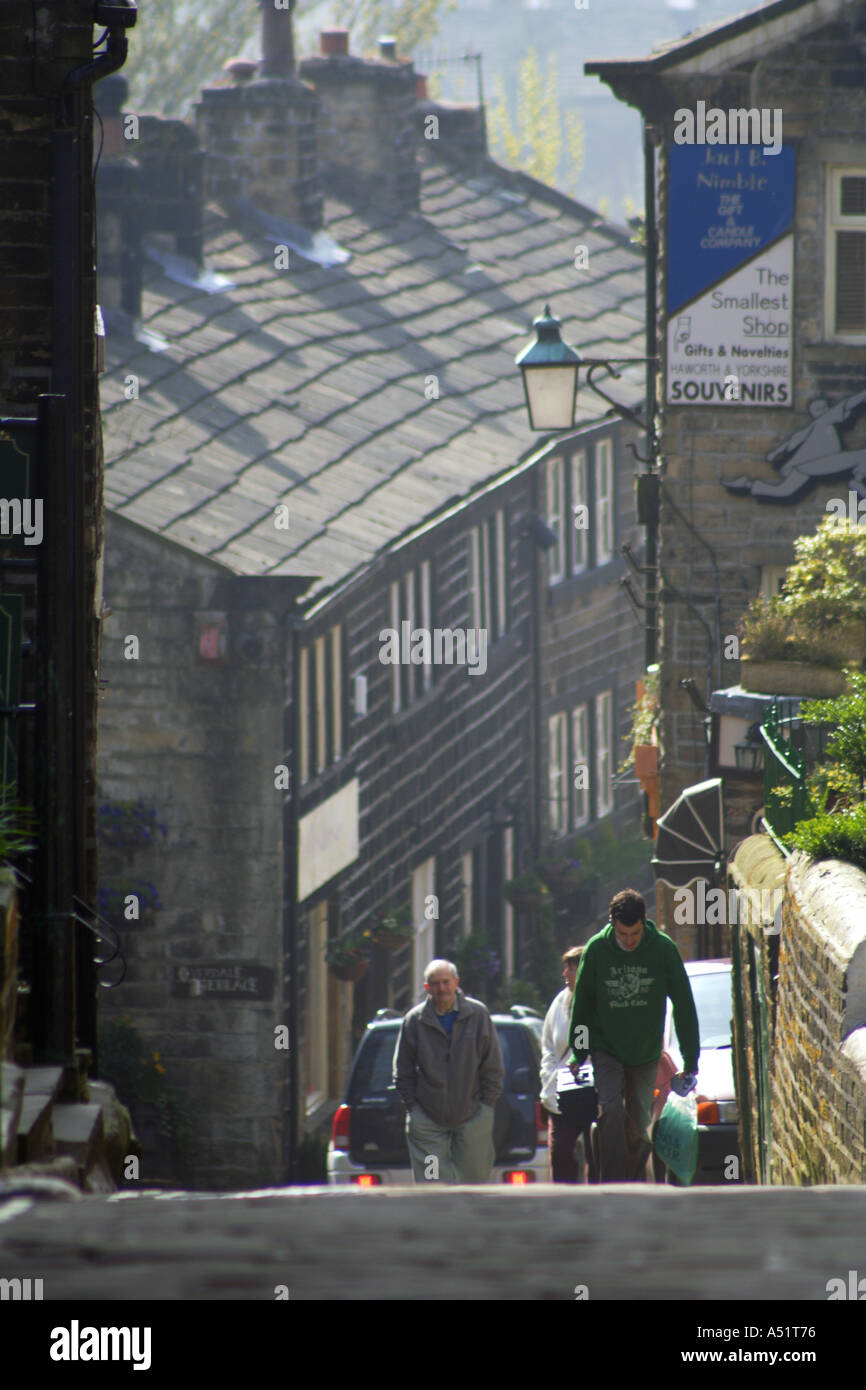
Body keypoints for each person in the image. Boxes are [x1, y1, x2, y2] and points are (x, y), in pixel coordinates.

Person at [568, 888, 700, 1183]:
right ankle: (613, 1184)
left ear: (644, 922)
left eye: (635, 934)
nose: (629, 941)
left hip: (645, 1051)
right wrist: (579, 1051)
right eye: (623, 934)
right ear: (612, 924)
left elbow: (684, 1004)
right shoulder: (597, 950)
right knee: (611, 1110)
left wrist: (691, 1060)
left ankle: (634, 1181)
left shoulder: (663, 949)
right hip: (606, 1048)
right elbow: (583, 1005)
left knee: (639, 1128)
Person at [394, 958, 504, 1184]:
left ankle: (468, 1221)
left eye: (446, 982)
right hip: (428, 1123)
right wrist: (414, 1110)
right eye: (435, 983)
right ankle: (434, 1220)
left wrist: (486, 1108)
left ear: (456, 982)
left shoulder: (478, 1015)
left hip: (473, 1117)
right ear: (427, 987)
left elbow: (492, 1066)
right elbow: (402, 1070)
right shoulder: (414, 1020)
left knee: (473, 1184)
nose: (441, 988)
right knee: (431, 1185)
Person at [540, 946, 599, 1183]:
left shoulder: (600, 1002)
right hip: (562, 1092)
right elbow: (547, 1046)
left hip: (593, 1092)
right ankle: (563, 1198)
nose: (565, 974)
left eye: (571, 969)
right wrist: (548, 1076)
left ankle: (597, 1199)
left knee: (595, 1153)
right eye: (565, 968)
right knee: (560, 1153)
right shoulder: (559, 1003)